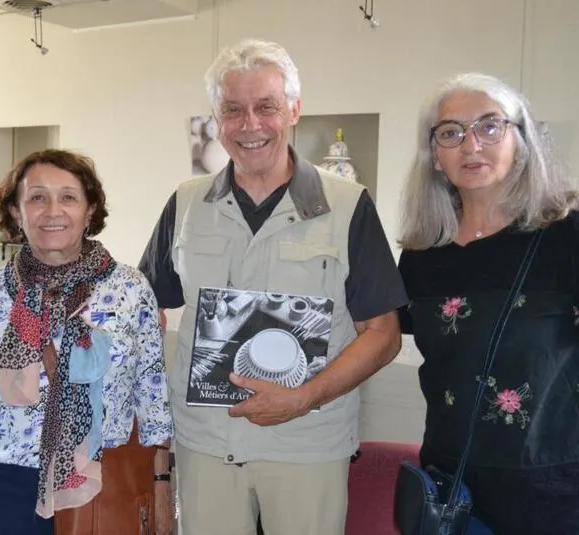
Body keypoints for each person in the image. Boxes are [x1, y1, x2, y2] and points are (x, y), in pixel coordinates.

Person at [139, 39, 407, 535]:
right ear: (217, 119)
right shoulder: (187, 204)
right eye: (233, 110)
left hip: (307, 443)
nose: (250, 124)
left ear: (294, 111)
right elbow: (146, 310)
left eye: (266, 107)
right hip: (205, 445)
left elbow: (383, 334)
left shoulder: (348, 206)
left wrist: (304, 396)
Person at [397, 72, 579, 534]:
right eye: (450, 133)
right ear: (435, 156)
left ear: (520, 142)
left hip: (563, 500)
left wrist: (567, 447)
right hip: (458, 493)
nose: (471, 145)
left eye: (490, 126)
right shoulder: (423, 256)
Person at [0, 149, 174, 535]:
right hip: (5, 483)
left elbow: (153, 398)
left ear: (90, 211)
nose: (52, 211)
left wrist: (161, 487)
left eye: (68, 197)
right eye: (37, 197)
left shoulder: (129, 289)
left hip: (104, 479)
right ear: (17, 212)